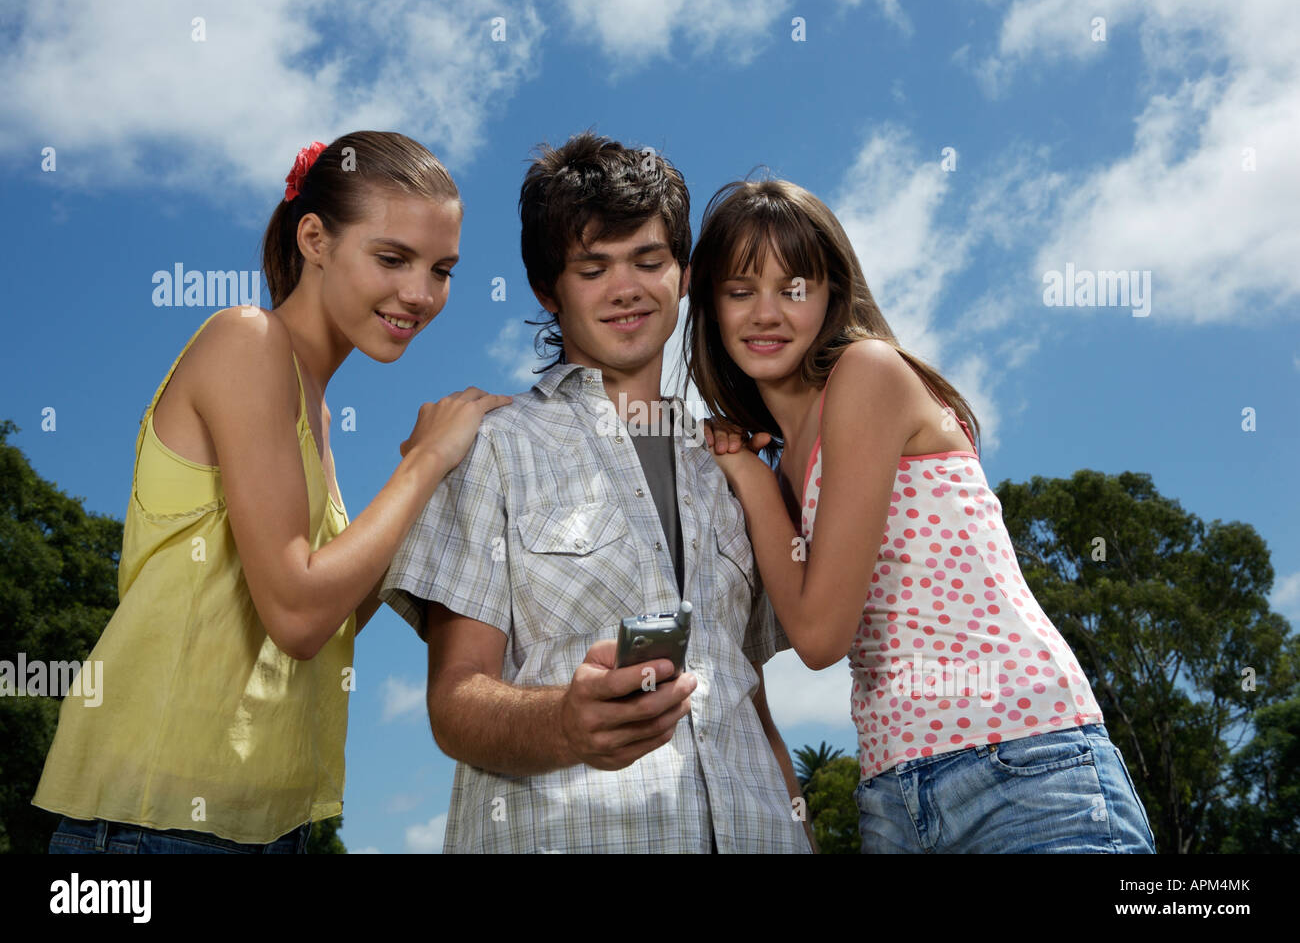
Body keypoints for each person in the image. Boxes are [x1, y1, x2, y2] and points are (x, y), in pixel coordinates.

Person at [34, 132, 510, 853]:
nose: (420, 293)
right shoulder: (247, 341)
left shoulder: (313, 406)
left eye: (441, 269)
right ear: (314, 238)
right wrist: (423, 466)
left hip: (264, 827)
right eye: (392, 257)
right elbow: (296, 611)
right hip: (154, 823)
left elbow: (329, 615)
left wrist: (427, 475)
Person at [687, 177, 1157, 854]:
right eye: (739, 290)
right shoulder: (784, 462)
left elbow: (818, 633)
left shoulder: (867, 374)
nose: (767, 312)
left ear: (830, 295)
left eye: (794, 287)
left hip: (1023, 765)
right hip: (891, 794)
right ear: (709, 305)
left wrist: (746, 478)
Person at [379, 133, 812, 853]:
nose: (626, 289)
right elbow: (454, 698)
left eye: (649, 259)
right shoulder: (491, 444)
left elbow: (750, 698)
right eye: (593, 268)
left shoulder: (733, 465)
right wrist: (563, 722)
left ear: (684, 274)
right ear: (550, 291)